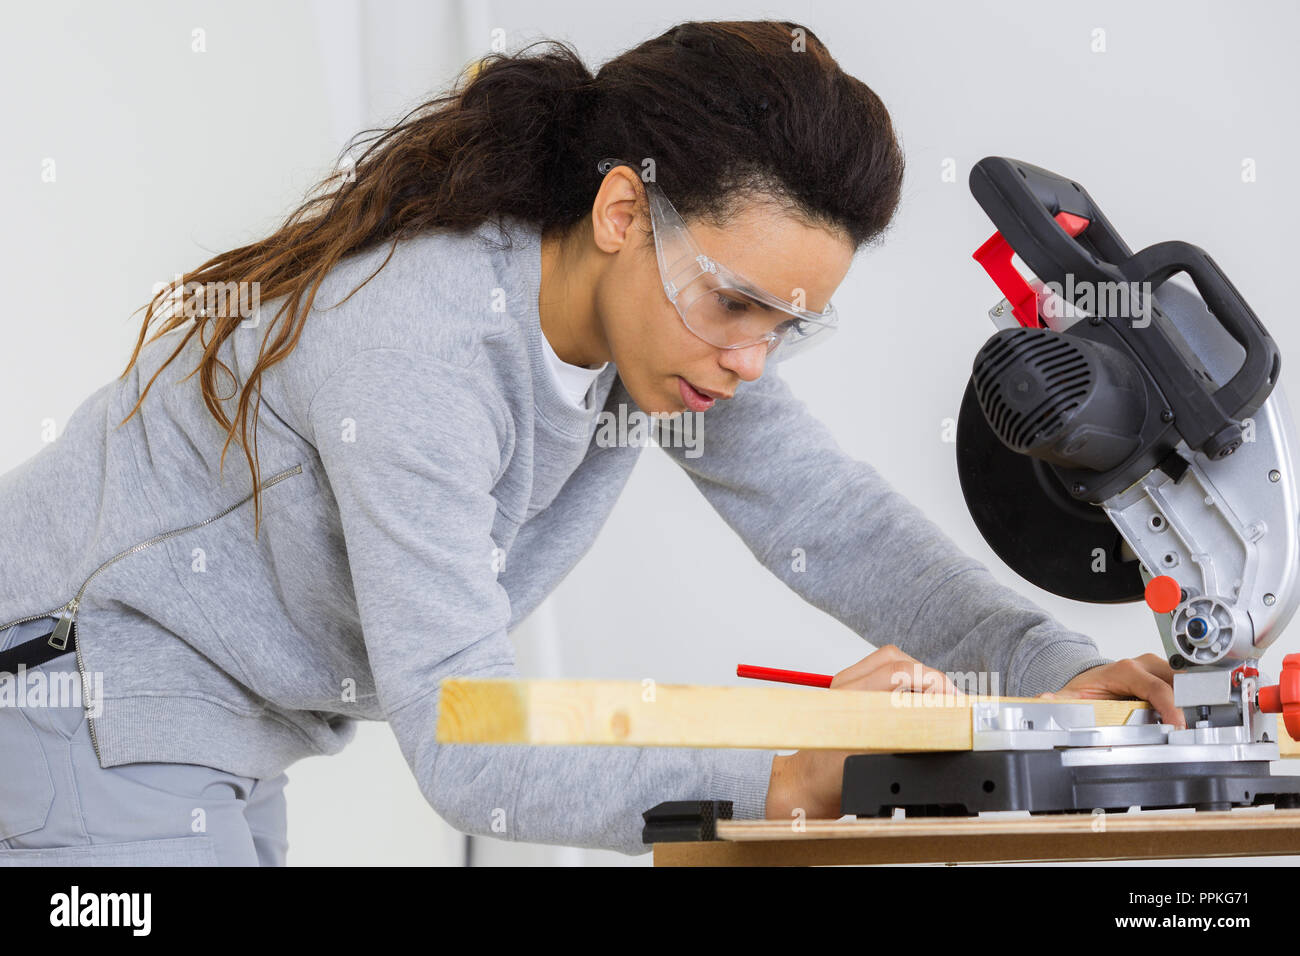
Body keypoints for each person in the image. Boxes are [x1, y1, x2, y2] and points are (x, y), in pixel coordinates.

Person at [0, 19, 1182, 865]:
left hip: (215, 730)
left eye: (789, 324)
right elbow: (468, 744)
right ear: (623, 211)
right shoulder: (422, 342)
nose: (750, 360)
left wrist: (1048, 667)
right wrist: (793, 773)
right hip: (86, 696)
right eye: (736, 304)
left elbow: (831, 520)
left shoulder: (656, 328)